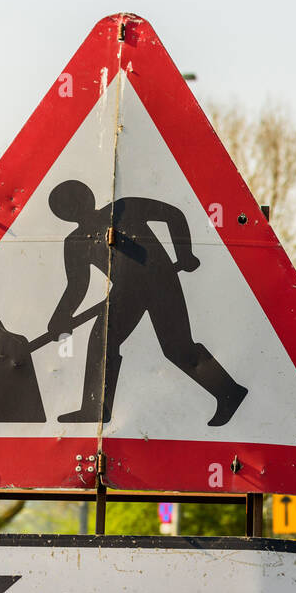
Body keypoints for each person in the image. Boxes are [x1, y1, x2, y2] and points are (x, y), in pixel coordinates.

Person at [46, 179, 247, 426]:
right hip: (127, 291)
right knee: (102, 341)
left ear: (87, 197)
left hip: (159, 278)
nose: (74, 208)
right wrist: (61, 317)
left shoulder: (123, 209)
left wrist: (184, 253)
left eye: (74, 201)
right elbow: (77, 286)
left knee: (177, 347)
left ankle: (230, 393)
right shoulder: (76, 242)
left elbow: (173, 215)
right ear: (63, 215)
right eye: (66, 207)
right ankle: (96, 408)